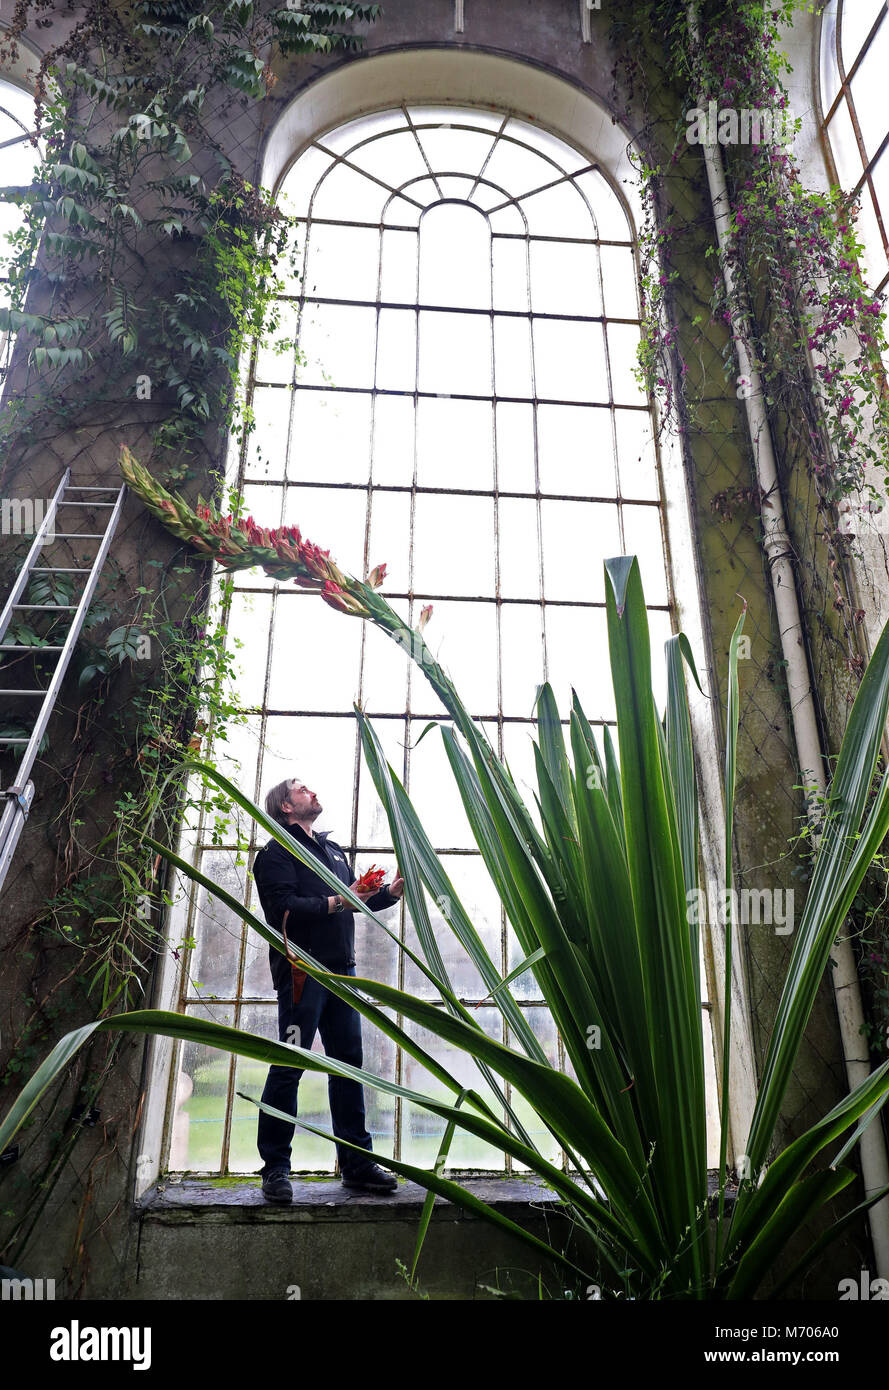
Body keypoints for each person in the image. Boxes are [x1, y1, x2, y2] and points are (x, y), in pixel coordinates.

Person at [252, 775, 403, 1202]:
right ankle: (276, 1169)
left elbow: (359, 900)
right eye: (302, 789)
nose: (313, 792)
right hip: (303, 973)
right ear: (285, 807)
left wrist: (389, 892)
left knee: (348, 1065)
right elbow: (281, 910)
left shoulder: (332, 851)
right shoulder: (277, 852)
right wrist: (342, 899)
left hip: (342, 974)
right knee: (289, 1064)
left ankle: (356, 1165)